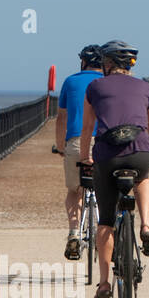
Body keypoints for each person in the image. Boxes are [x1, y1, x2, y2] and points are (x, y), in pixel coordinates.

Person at [78, 39, 149, 298]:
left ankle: (103, 285)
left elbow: (87, 127)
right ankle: (146, 226)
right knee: (144, 178)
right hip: (140, 152)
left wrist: (84, 158)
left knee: (105, 221)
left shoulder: (95, 87)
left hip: (108, 154)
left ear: (108, 64)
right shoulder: (146, 87)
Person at [52, 45, 102, 259]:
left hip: (75, 142)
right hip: (103, 143)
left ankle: (74, 233)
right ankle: (107, 232)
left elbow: (61, 118)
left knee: (75, 190)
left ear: (83, 62)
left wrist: (61, 147)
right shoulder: (107, 83)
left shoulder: (70, 81)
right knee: (106, 189)